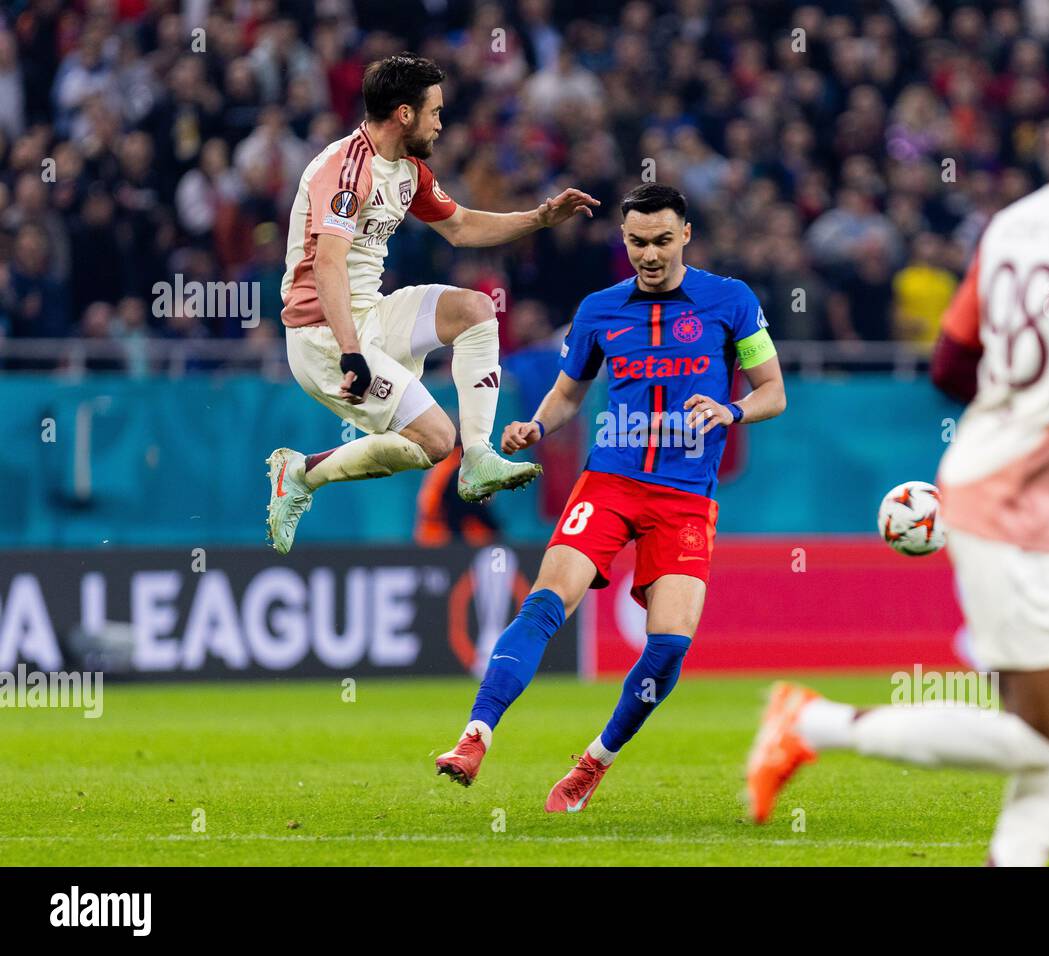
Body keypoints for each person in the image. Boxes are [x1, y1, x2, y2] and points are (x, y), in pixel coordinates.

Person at [745, 74, 1049, 866]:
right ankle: (811, 722)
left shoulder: (1008, 227)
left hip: (1037, 492)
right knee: (1039, 731)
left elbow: (953, 366)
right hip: (1008, 499)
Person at [434, 183, 787, 812]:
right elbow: (570, 392)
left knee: (670, 645)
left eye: (660, 241)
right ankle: (473, 736)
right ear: (623, 242)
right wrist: (537, 427)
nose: (648, 255)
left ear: (686, 235)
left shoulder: (731, 302)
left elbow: (772, 392)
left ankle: (594, 762)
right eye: (636, 242)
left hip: (684, 498)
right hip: (610, 482)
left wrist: (731, 409)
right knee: (546, 602)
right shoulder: (599, 309)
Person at [265, 53, 598, 554]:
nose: (441, 124)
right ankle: (303, 473)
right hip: (324, 335)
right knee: (437, 440)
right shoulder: (345, 169)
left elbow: (461, 227)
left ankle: (479, 456)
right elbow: (328, 266)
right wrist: (353, 352)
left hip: (369, 315)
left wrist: (540, 218)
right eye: (435, 112)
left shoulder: (407, 171)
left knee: (477, 310)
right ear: (404, 114)